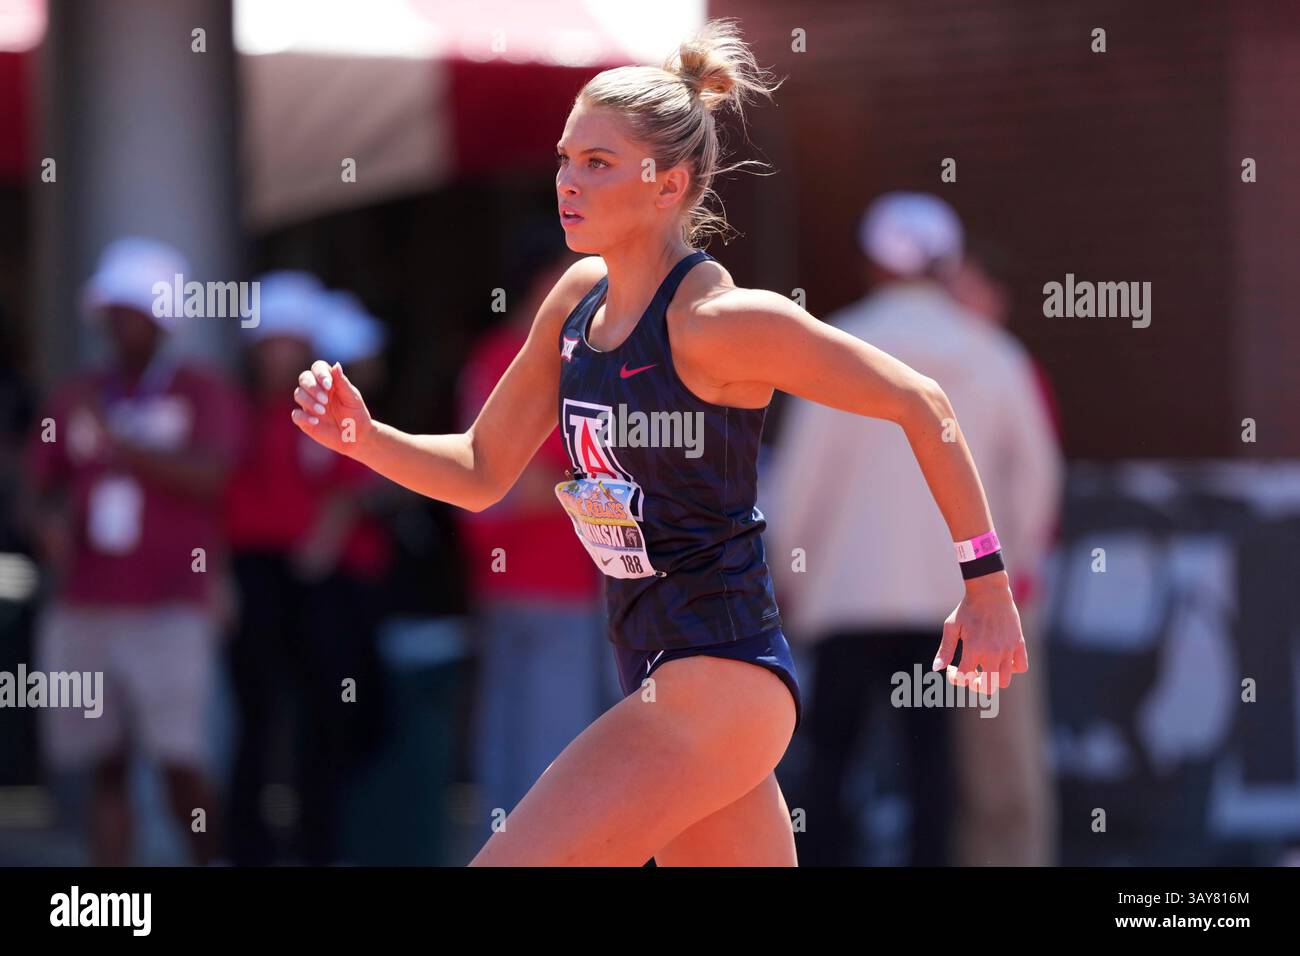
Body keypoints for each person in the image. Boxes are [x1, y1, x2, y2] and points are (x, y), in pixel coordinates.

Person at [290, 19, 1028, 867]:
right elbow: (482, 469)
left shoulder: (719, 323)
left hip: (718, 685)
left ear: (669, 183)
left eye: (597, 163)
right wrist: (366, 437)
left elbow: (921, 401)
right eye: (566, 157)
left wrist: (986, 582)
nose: (568, 181)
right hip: (661, 676)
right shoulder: (575, 301)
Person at [767, 195, 1063, 865]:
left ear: (873, 262)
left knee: (830, 761)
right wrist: (1006, 578)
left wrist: (789, 573)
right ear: (947, 261)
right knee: (934, 769)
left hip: (843, 599)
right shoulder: (994, 353)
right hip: (949, 603)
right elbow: (1035, 478)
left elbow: (798, 481)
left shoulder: (833, 345)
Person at [24, 237, 242, 865]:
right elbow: (39, 488)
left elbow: (213, 477)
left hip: (173, 604)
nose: (118, 326)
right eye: (111, 313)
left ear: (161, 320)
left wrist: (125, 446)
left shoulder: (202, 392)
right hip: (87, 603)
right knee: (104, 766)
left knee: (181, 763)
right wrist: (48, 524)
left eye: (132, 312)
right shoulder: (76, 396)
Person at [223, 272, 388, 865]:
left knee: (330, 718)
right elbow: (220, 501)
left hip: (324, 585)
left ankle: (320, 849)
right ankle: (248, 851)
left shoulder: (329, 409)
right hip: (256, 577)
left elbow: (362, 480)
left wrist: (335, 524)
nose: (279, 355)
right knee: (258, 717)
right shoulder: (239, 414)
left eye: (290, 343)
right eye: (269, 344)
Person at [454, 220, 614, 821]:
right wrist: (608, 491)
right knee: (550, 755)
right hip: (544, 587)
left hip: (545, 584)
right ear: (549, 282)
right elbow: (508, 483)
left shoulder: (526, 355)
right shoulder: (515, 357)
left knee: (522, 749)